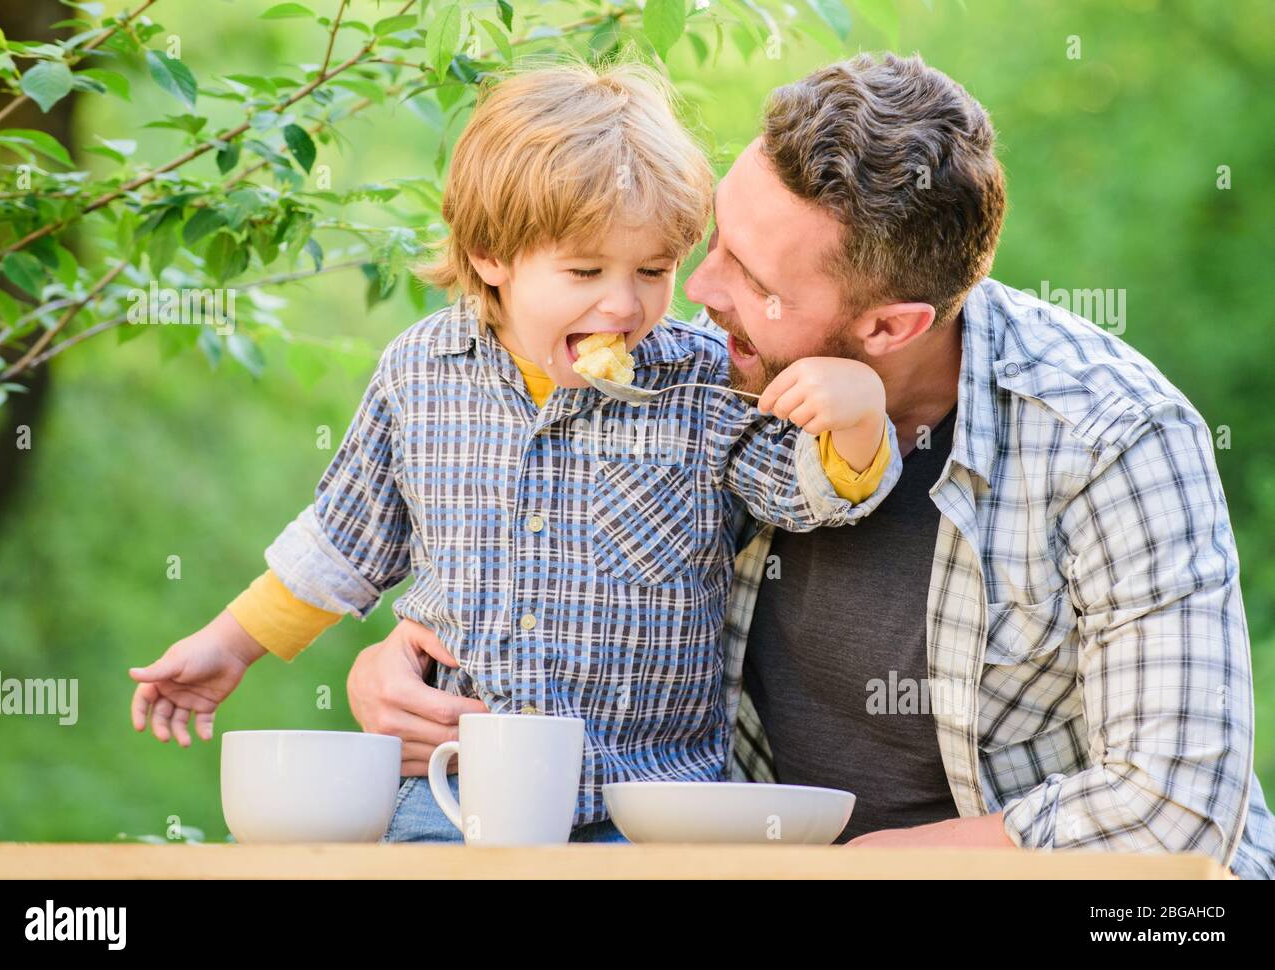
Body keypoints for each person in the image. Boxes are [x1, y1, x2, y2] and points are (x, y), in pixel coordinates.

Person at [344, 53, 1275, 877]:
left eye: (753, 279)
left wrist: (861, 871)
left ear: (888, 328)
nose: (696, 294)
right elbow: (548, 553)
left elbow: (1177, 813)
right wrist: (411, 665)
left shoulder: (1108, 437)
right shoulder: (702, 389)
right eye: (708, 245)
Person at [127, 59, 902, 843]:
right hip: (456, 787)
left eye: (654, 270)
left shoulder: (697, 383)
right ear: (493, 255)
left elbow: (808, 495)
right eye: (585, 271)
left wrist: (860, 419)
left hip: (647, 803)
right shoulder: (420, 373)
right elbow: (341, 542)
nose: (625, 304)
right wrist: (227, 646)